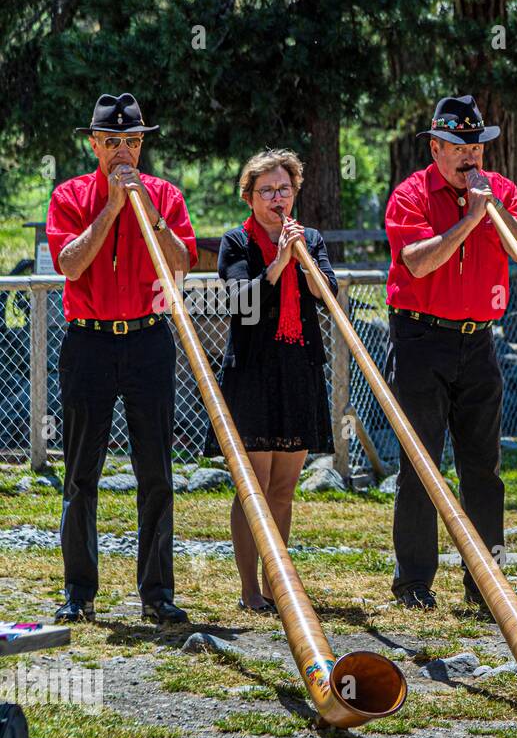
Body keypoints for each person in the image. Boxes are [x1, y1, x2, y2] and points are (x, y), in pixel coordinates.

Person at [46, 93, 197, 625]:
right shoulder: (69, 195)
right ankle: (79, 591)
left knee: (155, 471)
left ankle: (156, 593)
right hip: (87, 341)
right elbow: (69, 264)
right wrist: (112, 205)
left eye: (132, 141)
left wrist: (149, 212)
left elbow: (180, 266)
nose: (123, 152)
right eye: (112, 142)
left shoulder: (165, 195)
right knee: (81, 472)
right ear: (94, 144)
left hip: (147, 340)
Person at [384, 94, 517, 611]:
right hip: (421, 338)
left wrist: (492, 208)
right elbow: (420, 263)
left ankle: (485, 581)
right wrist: (471, 218)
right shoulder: (410, 194)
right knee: (421, 462)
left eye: (476, 144)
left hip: (478, 340)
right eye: (458, 145)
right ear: (435, 148)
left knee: (483, 464)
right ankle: (414, 583)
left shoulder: (502, 192)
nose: (470, 154)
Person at [204, 149, 336, 613]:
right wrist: (278, 263)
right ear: (250, 197)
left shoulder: (310, 239)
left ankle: (276, 582)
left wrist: (301, 259)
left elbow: (327, 295)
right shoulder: (236, 243)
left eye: (284, 189)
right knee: (253, 488)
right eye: (266, 191)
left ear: (295, 192)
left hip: (298, 370)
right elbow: (242, 302)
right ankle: (247, 590)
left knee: (283, 488)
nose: (276, 199)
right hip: (253, 374)